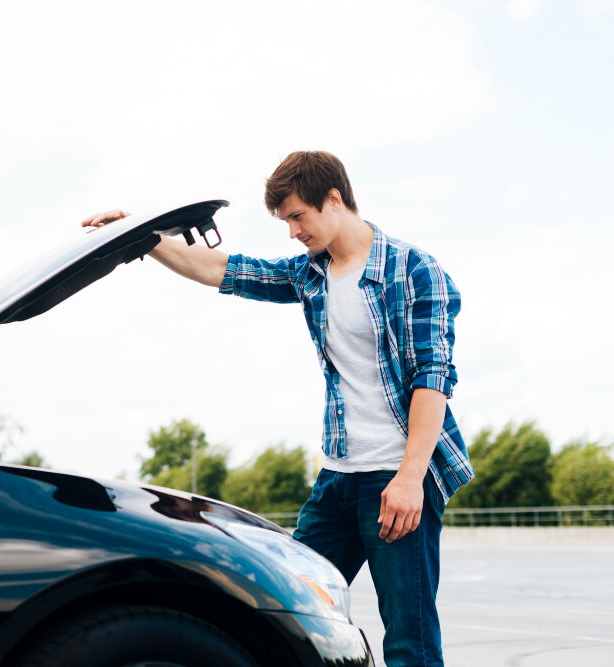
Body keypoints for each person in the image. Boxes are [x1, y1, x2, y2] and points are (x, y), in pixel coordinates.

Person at [81, 150, 474, 667]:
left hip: (398, 474)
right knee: (282, 608)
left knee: (410, 637)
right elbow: (223, 269)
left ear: (333, 200)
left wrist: (409, 478)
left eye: (296, 217)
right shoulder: (313, 274)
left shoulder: (413, 270)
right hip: (338, 480)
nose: (292, 232)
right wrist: (143, 236)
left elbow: (432, 379)